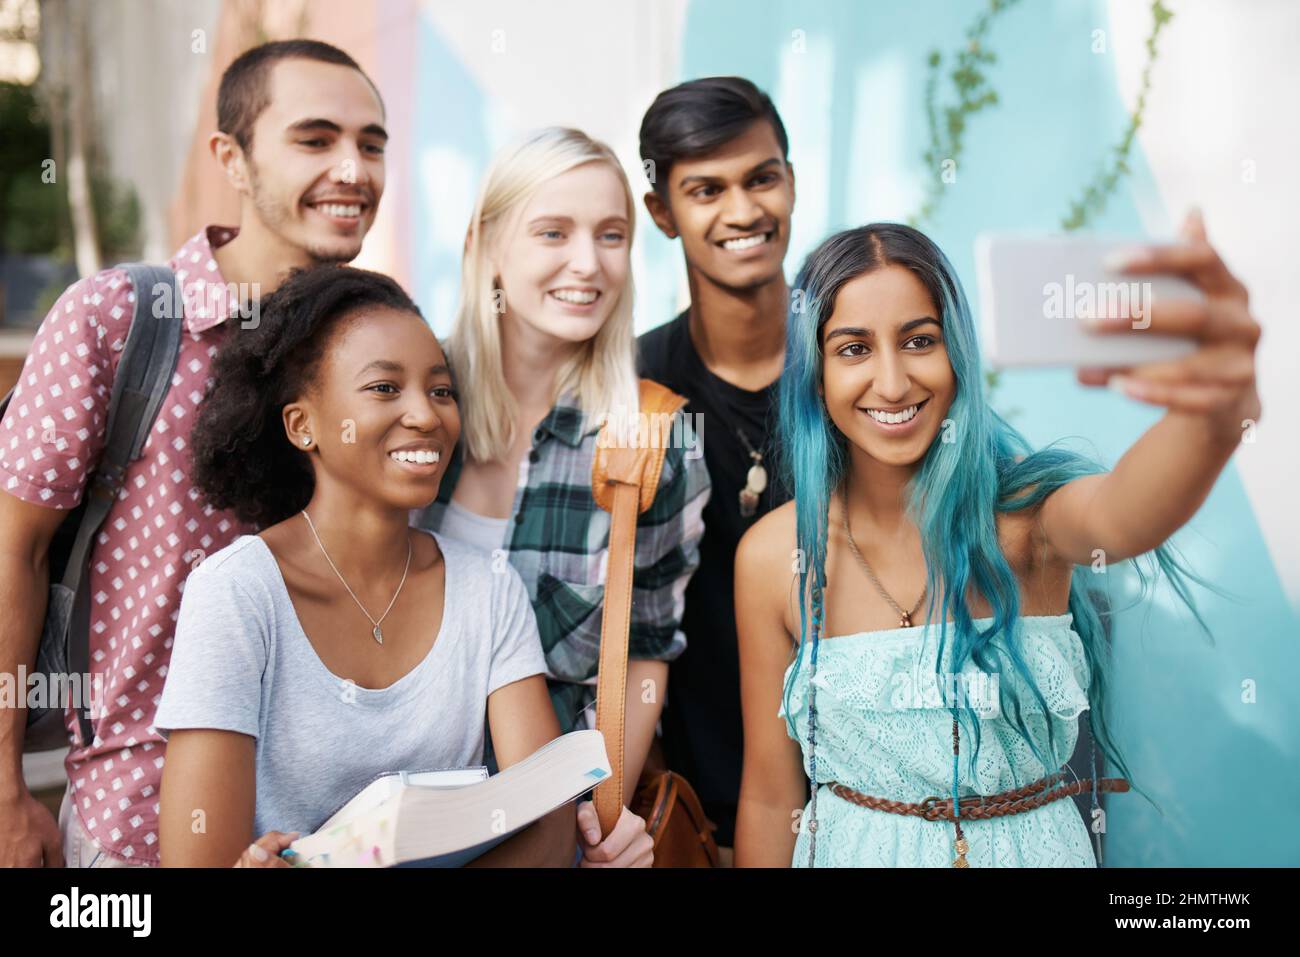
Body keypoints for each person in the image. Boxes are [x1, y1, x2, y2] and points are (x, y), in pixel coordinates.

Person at [734, 217, 1260, 867]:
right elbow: (767, 795)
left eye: (919, 340)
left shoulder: (1026, 518)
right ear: (816, 374)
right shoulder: (769, 557)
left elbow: (1125, 512)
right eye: (853, 348)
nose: (893, 382)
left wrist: (1213, 412)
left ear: (957, 353)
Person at [0, 39, 388, 867]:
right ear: (232, 158)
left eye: (372, 142)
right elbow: (12, 550)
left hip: (335, 832)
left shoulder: (378, 352)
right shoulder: (119, 321)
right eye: (315, 140)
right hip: (137, 825)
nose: (353, 169)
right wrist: (3, 789)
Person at [153, 265, 591, 867]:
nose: (426, 415)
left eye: (440, 390)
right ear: (302, 425)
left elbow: (546, 824)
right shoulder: (237, 593)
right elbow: (200, 859)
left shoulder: (487, 588)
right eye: (385, 388)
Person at [417, 127, 711, 861]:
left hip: (547, 834)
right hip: (392, 821)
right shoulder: (412, 400)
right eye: (554, 231)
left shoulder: (652, 437)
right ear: (487, 244)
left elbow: (644, 653)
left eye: (611, 235)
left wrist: (606, 813)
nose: (588, 263)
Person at [635, 77, 796, 850]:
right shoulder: (635, 394)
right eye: (707, 189)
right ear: (662, 212)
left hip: (876, 809)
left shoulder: (864, 370)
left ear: (791, 181)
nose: (742, 211)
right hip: (704, 825)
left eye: (761, 177)